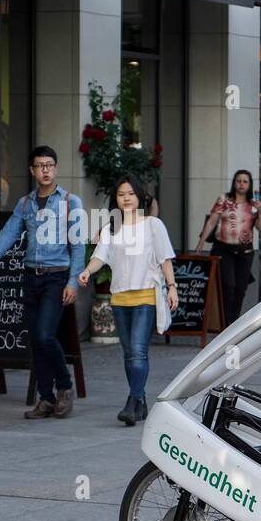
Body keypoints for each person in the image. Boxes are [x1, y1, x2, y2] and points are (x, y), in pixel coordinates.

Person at [0, 145, 84, 419]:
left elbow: (79, 245)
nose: (45, 170)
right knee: (36, 341)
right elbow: (10, 232)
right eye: (40, 165)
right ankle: (46, 398)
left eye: (50, 165)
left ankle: (65, 386)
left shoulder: (70, 202)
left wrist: (73, 281)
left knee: (46, 335)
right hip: (30, 276)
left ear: (56, 168)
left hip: (56, 277)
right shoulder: (25, 204)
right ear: (32, 170)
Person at [78, 175, 178, 426]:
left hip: (145, 295)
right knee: (128, 354)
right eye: (121, 194)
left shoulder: (153, 225)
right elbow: (100, 256)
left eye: (130, 194)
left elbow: (165, 258)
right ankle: (140, 401)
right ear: (116, 199)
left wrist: (172, 287)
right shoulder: (112, 228)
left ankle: (132, 401)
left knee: (137, 351)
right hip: (120, 298)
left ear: (139, 196)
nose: (126, 198)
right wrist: (87, 271)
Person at [195, 170, 261, 325]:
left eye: (245, 181)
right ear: (234, 183)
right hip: (223, 250)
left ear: (249, 184)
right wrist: (201, 242)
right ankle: (227, 324)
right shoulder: (224, 199)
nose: (241, 184)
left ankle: (234, 322)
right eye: (238, 181)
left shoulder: (253, 205)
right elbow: (212, 221)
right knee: (229, 286)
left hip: (244, 252)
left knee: (241, 289)